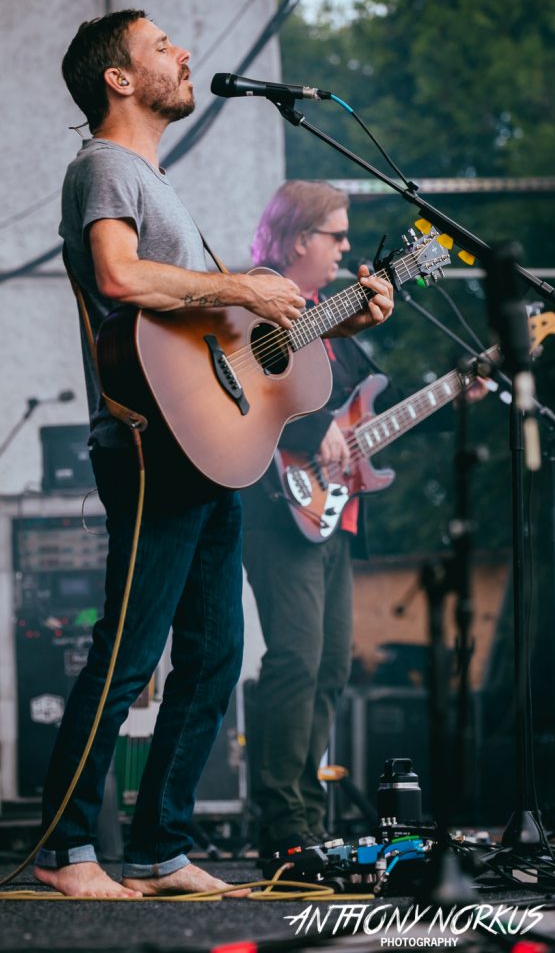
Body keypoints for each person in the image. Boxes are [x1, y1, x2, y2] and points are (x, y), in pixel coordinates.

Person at [34, 12, 394, 899]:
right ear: (119, 79)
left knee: (213, 654)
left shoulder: (154, 181)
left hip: (208, 452)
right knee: (130, 650)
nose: (184, 53)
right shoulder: (105, 167)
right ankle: (65, 850)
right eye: (161, 46)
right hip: (151, 446)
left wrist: (340, 313)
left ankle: (159, 849)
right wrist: (238, 284)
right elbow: (119, 276)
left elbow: (230, 344)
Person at [241, 180, 404, 861]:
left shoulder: (333, 321)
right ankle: (282, 824)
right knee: (296, 660)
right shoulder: (259, 299)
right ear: (299, 237)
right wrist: (315, 429)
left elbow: (367, 413)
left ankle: (306, 822)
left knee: (331, 666)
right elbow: (254, 388)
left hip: (335, 514)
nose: (345, 247)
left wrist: (459, 392)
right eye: (336, 235)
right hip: (279, 506)